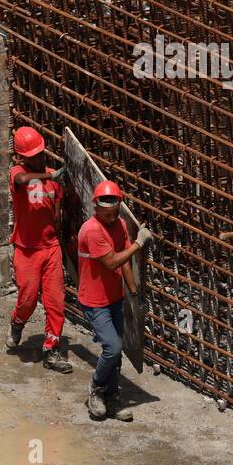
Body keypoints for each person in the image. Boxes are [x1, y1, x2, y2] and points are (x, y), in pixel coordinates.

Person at [77, 180, 151, 421]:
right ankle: (96, 389)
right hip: (94, 300)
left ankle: (112, 398)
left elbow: (124, 260)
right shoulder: (92, 230)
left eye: (114, 213)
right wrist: (140, 243)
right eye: (106, 214)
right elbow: (112, 262)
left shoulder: (118, 224)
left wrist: (133, 292)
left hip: (114, 298)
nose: (111, 218)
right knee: (113, 347)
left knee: (116, 354)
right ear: (95, 208)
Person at [5, 126, 72, 372]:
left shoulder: (53, 177)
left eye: (40, 153)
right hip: (26, 249)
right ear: (22, 157)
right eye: (33, 155)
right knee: (28, 299)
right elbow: (22, 181)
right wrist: (49, 178)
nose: (38, 158)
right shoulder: (17, 173)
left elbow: (56, 213)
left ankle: (52, 350)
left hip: (50, 247)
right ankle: (18, 321)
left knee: (56, 303)